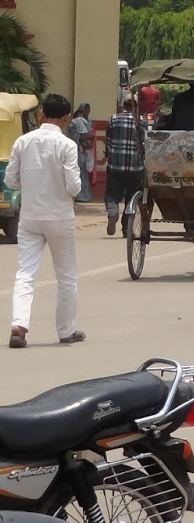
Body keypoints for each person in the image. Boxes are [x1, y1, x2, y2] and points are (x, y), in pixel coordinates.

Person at [8, 92, 85, 347]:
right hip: (59, 217)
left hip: (30, 216)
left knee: (25, 273)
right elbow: (74, 186)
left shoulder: (23, 142)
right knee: (66, 276)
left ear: (42, 113)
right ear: (66, 117)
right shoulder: (66, 145)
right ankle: (66, 331)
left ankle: (19, 325)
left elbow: (11, 180)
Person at [102, 98, 143, 237]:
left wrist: (108, 154)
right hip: (135, 167)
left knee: (111, 193)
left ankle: (113, 212)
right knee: (131, 197)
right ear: (136, 107)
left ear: (123, 106)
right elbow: (145, 143)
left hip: (115, 165)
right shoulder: (141, 121)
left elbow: (108, 141)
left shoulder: (113, 119)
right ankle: (127, 228)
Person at [67, 103, 94, 202]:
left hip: (84, 151)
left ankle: (84, 195)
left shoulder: (86, 122)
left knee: (84, 174)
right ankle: (79, 196)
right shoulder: (77, 122)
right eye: (86, 110)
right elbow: (79, 136)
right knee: (79, 172)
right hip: (78, 150)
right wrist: (88, 137)